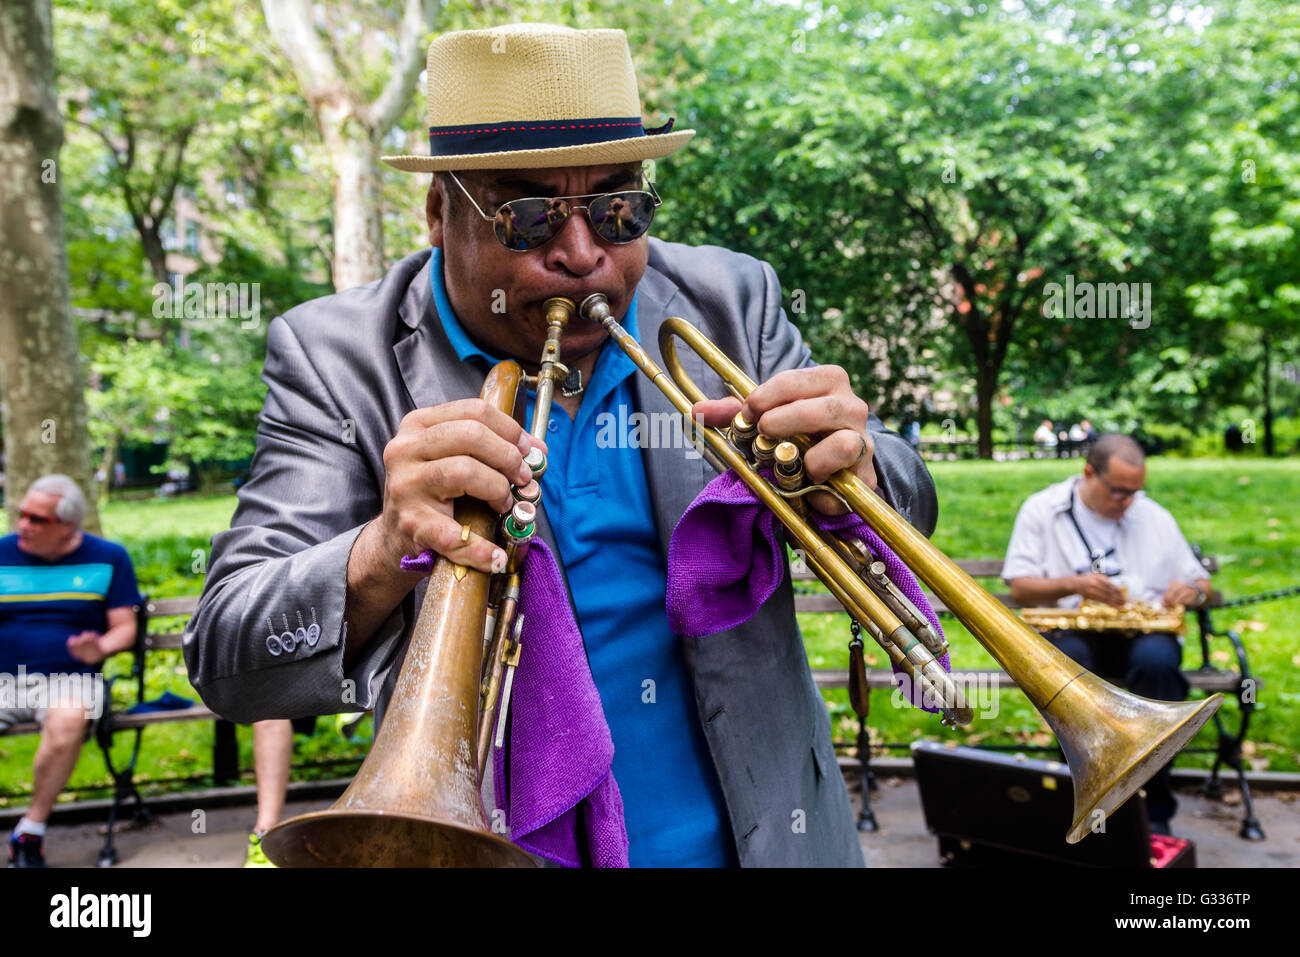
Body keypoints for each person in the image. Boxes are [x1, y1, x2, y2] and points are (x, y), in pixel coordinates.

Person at [183, 23, 938, 867]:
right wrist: (385, 547)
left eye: (619, 210)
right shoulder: (333, 357)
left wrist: (860, 468)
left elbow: (907, 496)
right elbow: (227, 656)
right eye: (528, 216)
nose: (583, 256)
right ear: (439, 212)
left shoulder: (733, 298)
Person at [1000, 434, 1210, 834]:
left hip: (1142, 632)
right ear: (1088, 474)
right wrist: (1075, 584)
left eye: (1135, 491)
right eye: (1118, 491)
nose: (1128, 501)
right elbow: (1020, 587)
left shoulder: (1153, 515)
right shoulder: (1042, 510)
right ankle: (1082, 802)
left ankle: (1155, 812)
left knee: (1159, 667)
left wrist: (1194, 591)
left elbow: (1201, 582)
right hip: (1072, 631)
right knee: (1071, 673)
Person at [1, 475, 140, 867]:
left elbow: (124, 628)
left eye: (36, 518)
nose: (23, 524)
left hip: (70, 679)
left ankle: (30, 831)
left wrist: (101, 648)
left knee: (68, 719)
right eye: (21, 514)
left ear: (67, 524)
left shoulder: (108, 557)